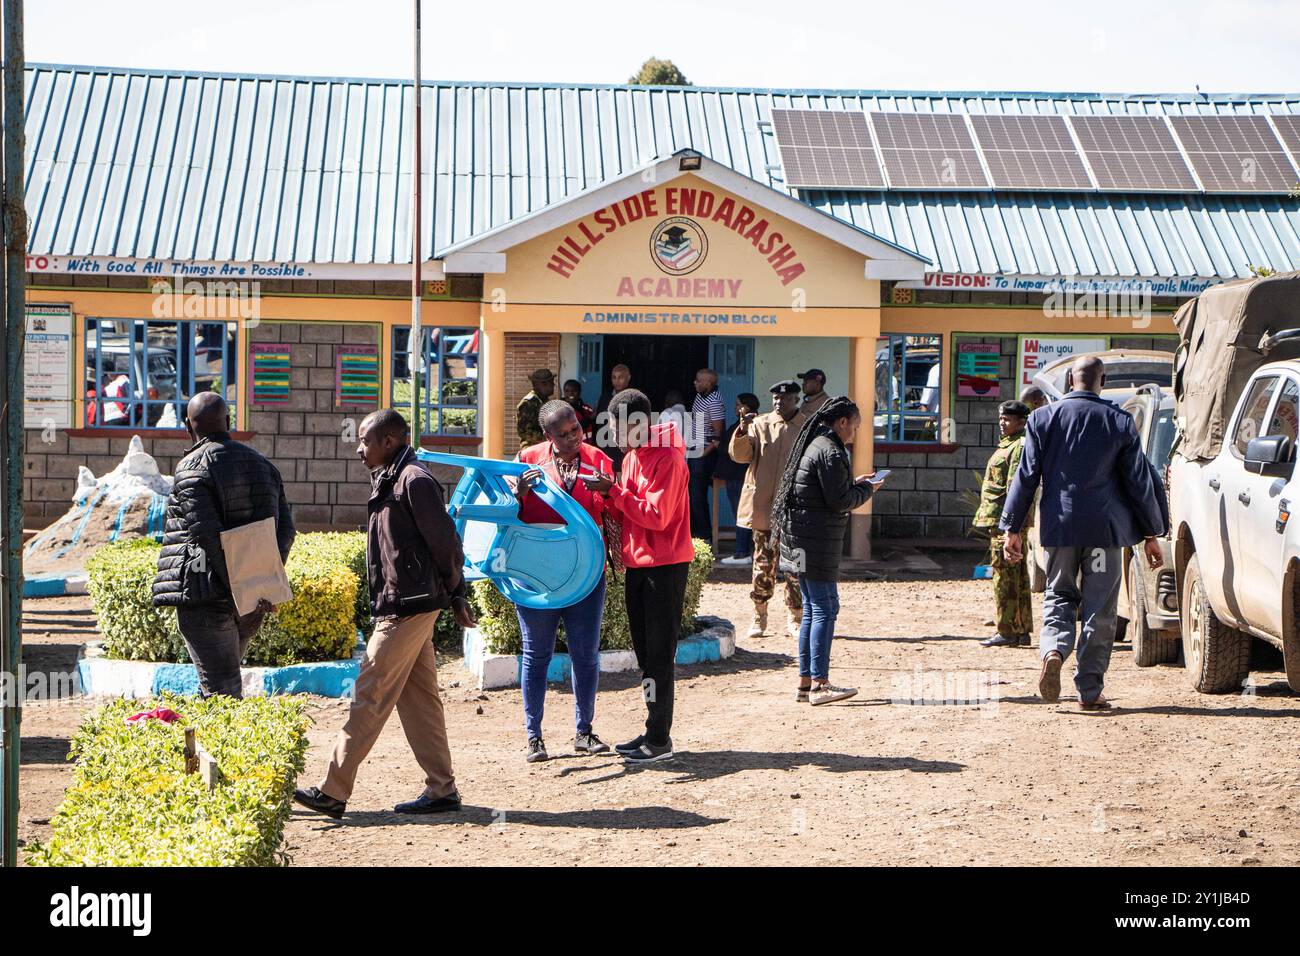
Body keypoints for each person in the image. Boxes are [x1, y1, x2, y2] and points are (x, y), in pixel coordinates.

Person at [294, 409, 477, 819]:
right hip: (406, 604)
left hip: (408, 609)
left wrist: (456, 593)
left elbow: (445, 542)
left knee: (369, 693)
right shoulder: (392, 477)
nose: (359, 449)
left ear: (390, 441)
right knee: (421, 701)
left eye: (366, 441)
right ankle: (442, 789)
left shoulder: (414, 480)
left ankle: (332, 790)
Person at [1000, 356, 1167, 711]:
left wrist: (1012, 528)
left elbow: (1026, 476)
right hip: (1105, 532)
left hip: (1060, 527)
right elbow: (1139, 482)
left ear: (1069, 381)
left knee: (1059, 595)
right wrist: (1152, 533)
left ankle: (1055, 649)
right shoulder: (1120, 421)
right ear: (1101, 381)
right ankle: (1089, 690)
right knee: (1099, 609)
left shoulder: (1043, 419)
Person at [152, 392, 295, 697]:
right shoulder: (263, 465)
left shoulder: (191, 467)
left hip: (205, 593)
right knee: (225, 682)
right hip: (252, 598)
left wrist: (233, 582)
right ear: (228, 422)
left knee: (221, 690)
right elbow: (285, 530)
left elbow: (206, 535)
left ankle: (222, 744)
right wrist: (259, 579)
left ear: (187, 426)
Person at [581, 388, 692, 764]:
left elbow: (657, 517)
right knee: (646, 656)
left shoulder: (670, 457)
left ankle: (659, 740)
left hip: (666, 567)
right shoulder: (631, 457)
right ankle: (652, 729)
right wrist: (607, 494)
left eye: (621, 426)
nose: (616, 434)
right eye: (613, 426)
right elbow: (627, 508)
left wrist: (614, 492)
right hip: (639, 566)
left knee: (660, 658)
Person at [512, 399, 614, 763]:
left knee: (585, 655)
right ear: (547, 435)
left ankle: (584, 732)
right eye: (563, 433)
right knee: (536, 654)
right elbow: (507, 513)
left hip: (585, 573)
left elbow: (611, 510)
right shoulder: (527, 459)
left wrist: (607, 491)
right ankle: (533, 737)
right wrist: (518, 494)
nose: (573, 437)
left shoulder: (599, 460)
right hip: (536, 574)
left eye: (576, 429)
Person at [773, 397, 883, 706]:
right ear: (843, 422)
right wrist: (867, 489)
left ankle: (806, 682)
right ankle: (820, 684)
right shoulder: (832, 451)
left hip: (801, 539)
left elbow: (829, 490)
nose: (855, 433)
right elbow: (839, 500)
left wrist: (853, 483)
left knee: (812, 607)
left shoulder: (816, 445)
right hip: (815, 541)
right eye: (855, 426)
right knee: (824, 607)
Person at [728, 381, 806, 638]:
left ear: (796, 399)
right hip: (763, 508)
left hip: (795, 510)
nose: (778, 403)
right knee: (763, 564)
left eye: (784, 399)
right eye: (775, 399)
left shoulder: (806, 428)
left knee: (795, 566)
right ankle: (759, 615)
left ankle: (796, 616)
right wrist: (741, 429)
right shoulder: (760, 424)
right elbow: (740, 456)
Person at [974, 400, 1033, 648]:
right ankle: (1019, 629)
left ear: (1021, 422)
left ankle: (1007, 630)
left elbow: (1014, 489)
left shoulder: (1018, 447)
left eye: (1007, 419)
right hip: (1005, 522)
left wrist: (1012, 527)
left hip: (1005, 523)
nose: (1002, 423)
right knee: (1016, 577)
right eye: (1001, 418)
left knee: (1005, 578)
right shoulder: (1010, 445)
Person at [714, 392, 760, 566]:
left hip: (739, 476)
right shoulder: (741, 424)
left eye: (738, 404)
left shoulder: (750, 425)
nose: (735, 407)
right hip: (736, 476)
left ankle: (742, 552)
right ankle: (745, 550)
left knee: (742, 515)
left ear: (747, 407)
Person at [687, 368, 726, 541]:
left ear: (709, 384)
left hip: (703, 455)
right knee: (692, 496)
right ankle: (696, 533)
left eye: (699, 381)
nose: (695, 383)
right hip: (694, 450)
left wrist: (703, 454)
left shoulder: (714, 401)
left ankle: (703, 536)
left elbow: (718, 436)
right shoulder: (700, 396)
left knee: (697, 497)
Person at [595, 363, 632, 473]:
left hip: (625, 453)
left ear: (628, 378)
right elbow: (599, 423)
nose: (617, 381)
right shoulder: (605, 396)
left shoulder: (634, 397)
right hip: (605, 449)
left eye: (621, 377)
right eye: (614, 377)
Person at [516, 368, 555, 451]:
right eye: (551, 383)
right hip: (532, 450)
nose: (554, 385)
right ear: (541, 384)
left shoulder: (545, 401)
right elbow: (524, 432)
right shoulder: (528, 403)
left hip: (545, 448)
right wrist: (550, 439)